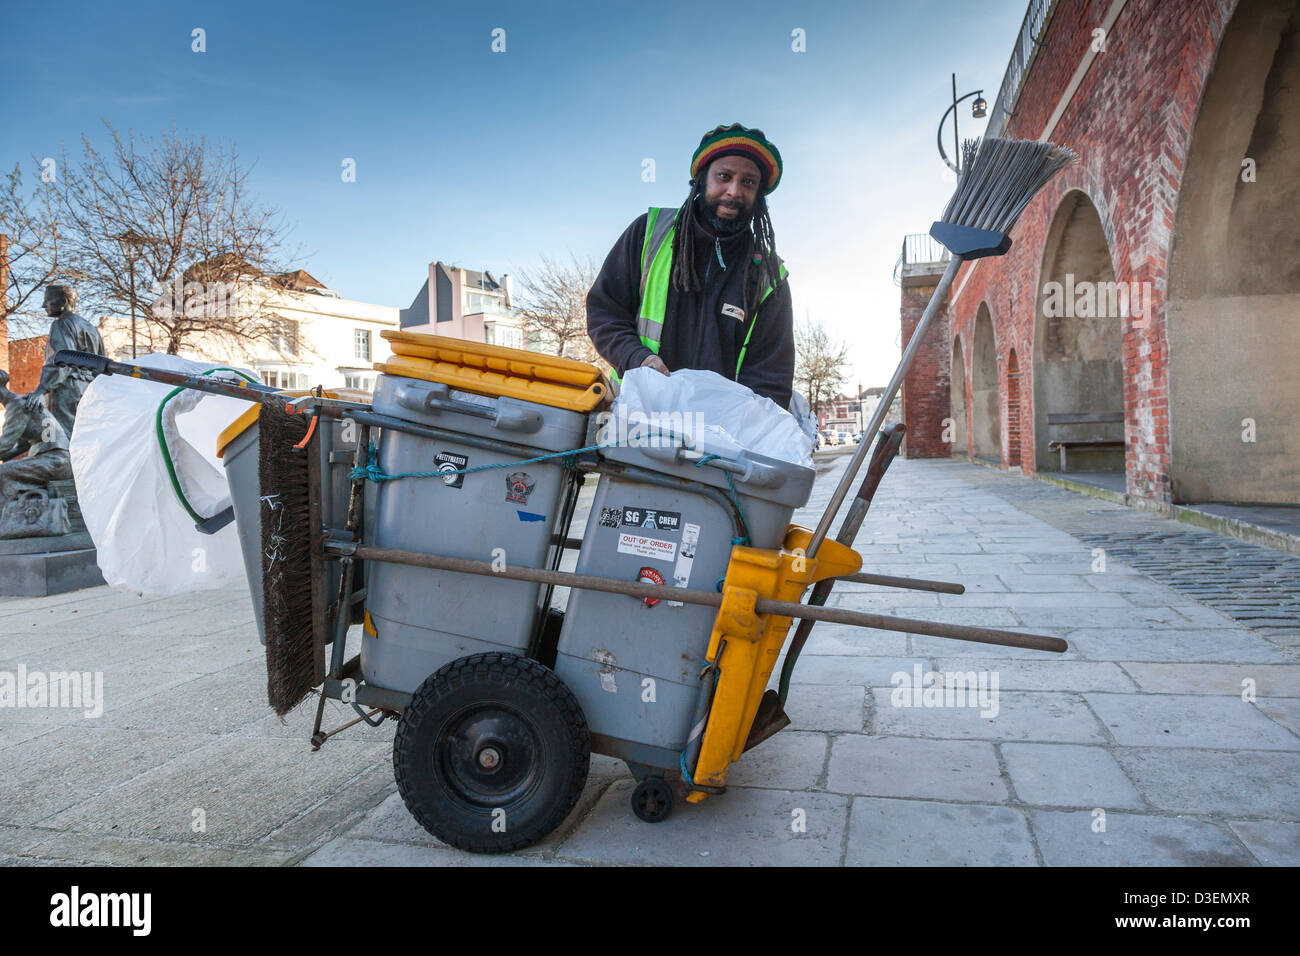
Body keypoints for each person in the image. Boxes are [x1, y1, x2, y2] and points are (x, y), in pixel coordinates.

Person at [586, 123, 795, 408]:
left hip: (721, 439)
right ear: (702, 179)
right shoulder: (650, 233)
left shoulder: (770, 277)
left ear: (758, 194)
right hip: (634, 415)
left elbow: (771, 377)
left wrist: (742, 430)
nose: (734, 191)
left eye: (748, 182)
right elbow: (605, 312)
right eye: (724, 176)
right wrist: (637, 358)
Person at [22, 284, 105, 439]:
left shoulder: (61, 324)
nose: (43, 305)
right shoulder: (91, 328)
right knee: (82, 437)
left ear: (64, 301)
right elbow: (101, 363)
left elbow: (61, 362)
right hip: (86, 390)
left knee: (59, 439)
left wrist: (41, 390)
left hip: (65, 389)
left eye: (47, 300)